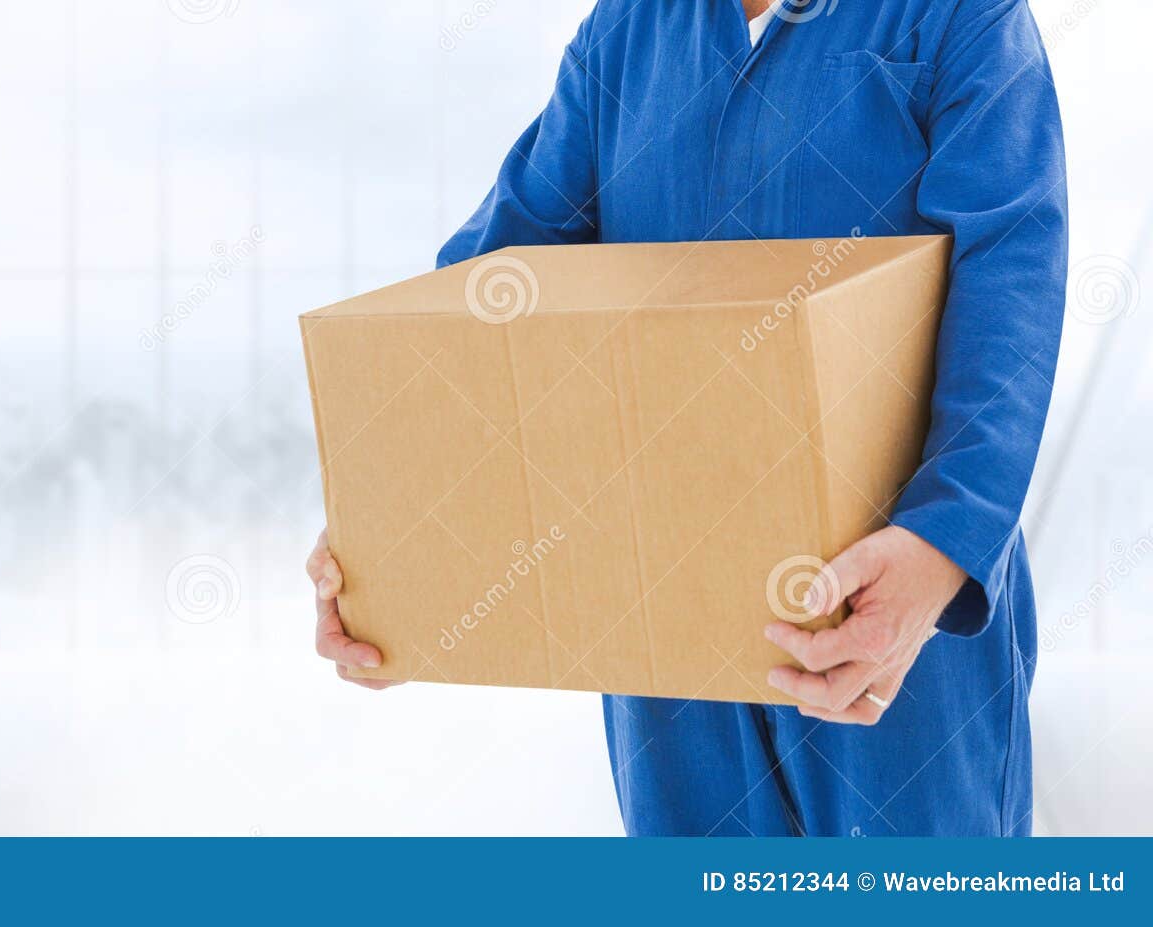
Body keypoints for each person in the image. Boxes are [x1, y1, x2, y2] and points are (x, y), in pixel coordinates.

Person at [306, 0, 1067, 837]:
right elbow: (486, 298)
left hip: (897, 608)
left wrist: (943, 543)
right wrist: (394, 539)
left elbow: (1012, 278)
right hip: (665, 617)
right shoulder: (629, 31)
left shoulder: (963, 17)